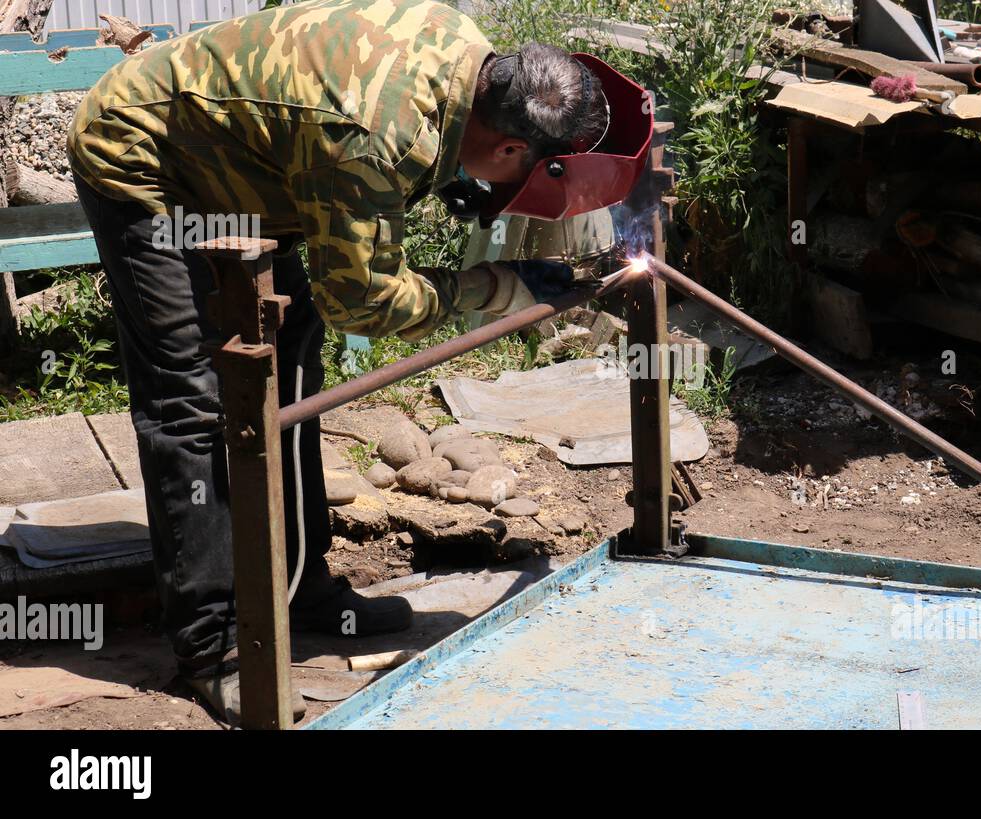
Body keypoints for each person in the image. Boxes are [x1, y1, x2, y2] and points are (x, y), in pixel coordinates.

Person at [66, 0, 650, 723]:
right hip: (145, 158)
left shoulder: (470, 55)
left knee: (294, 350)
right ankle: (213, 642)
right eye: (517, 179)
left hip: (258, 162)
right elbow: (365, 304)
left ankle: (300, 582)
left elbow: (376, 173)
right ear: (506, 147)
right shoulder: (374, 137)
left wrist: (459, 196)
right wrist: (500, 286)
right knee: (190, 398)